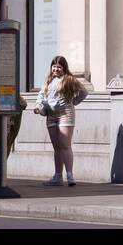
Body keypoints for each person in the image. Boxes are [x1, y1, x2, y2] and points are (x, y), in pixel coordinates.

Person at [34, 55, 87, 186]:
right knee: (57, 148)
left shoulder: (69, 79)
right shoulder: (48, 80)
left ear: (64, 68)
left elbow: (84, 92)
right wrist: (38, 107)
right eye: (54, 66)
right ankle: (58, 177)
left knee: (65, 145)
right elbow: (41, 96)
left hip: (65, 114)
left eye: (59, 66)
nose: (56, 69)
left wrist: (73, 102)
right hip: (51, 115)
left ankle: (70, 176)